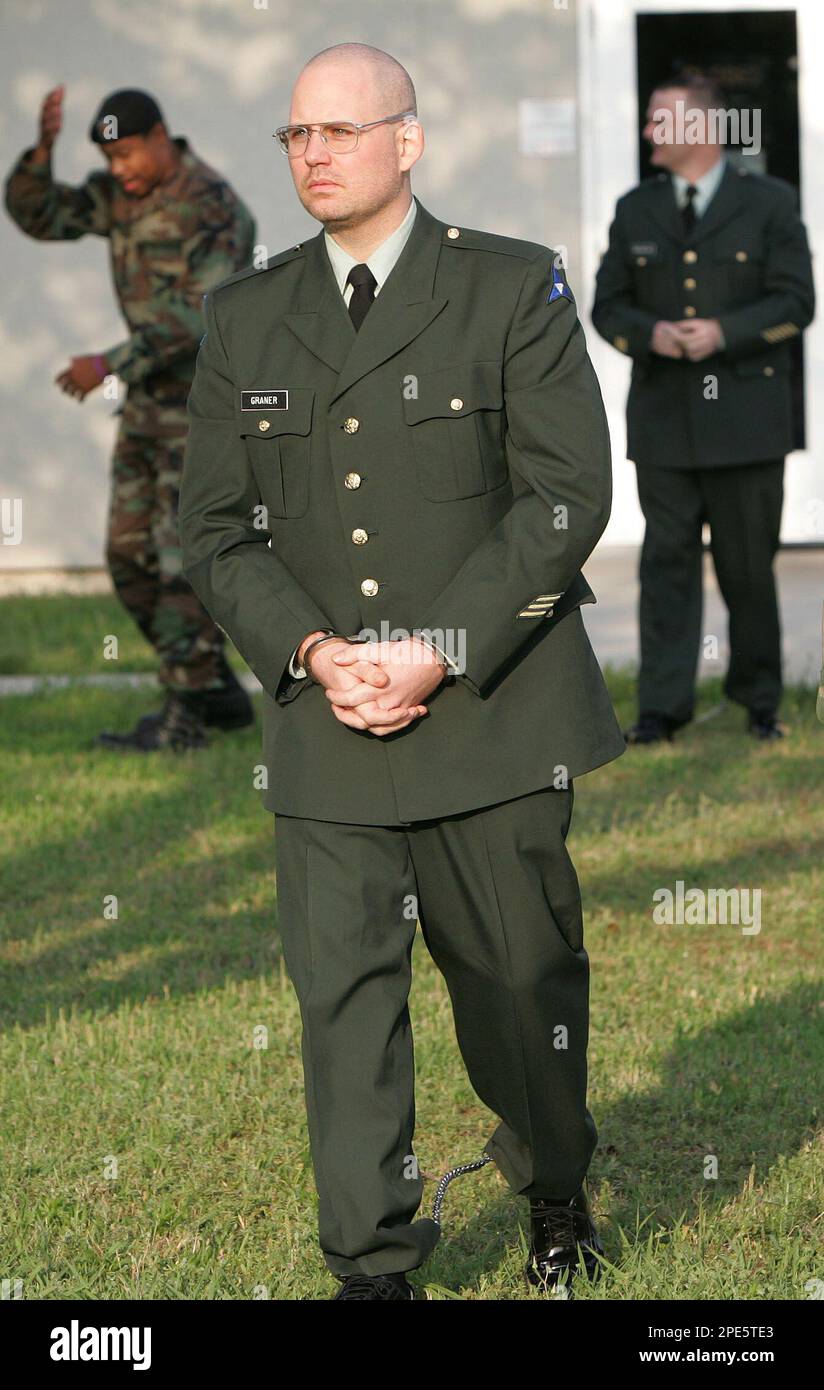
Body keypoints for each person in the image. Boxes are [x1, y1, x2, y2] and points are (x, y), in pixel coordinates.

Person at [179, 42, 626, 1300]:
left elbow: (564, 495)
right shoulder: (245, 313)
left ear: (406, 142)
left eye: (337, 131)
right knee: (344, 1008)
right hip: (326, 722)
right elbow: (211, 529)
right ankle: (372, 1264)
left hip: (492, 708)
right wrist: (314, 650)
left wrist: (435, 652)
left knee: (519, 982)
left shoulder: (506, 287)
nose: (311, 154)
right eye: (294, 137)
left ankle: (551, 1186)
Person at [4, 87, 257, 750]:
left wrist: (107, 362)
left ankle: (183, 718)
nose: (119, 168)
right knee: (125, 556)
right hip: (147, 406)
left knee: (180, 561)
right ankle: (216, 689)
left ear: (160, 135)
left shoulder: (214, 205)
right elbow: (37, 215)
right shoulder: (118, 195)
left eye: (125, 153)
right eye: (108, 157)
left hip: (203, 404)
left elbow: (200, 314)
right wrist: (40, 154)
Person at [592, 72, 815, 745]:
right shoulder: (636, 208)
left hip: (748, 424)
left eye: (661, 120)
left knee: (748, 566)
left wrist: (726, 331)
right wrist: (649, 334)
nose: (647, 133)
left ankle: (760, 701)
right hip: (664, 423)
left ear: (702, 128)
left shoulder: (769, 202)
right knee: (666, 567)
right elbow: (607, 305)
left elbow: (796, 301)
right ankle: (663, 708)